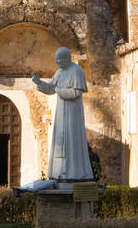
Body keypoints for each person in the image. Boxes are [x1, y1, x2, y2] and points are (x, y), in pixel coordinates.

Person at [31, 46, 93, 182]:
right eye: (56, 60)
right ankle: (60, 172)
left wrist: (59, 90)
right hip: (60, 112)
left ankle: (74, 173)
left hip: (72, 113)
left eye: (60, 60)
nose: (58, 62)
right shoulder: (59, 71)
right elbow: (50, 88)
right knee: (60, 141)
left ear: (67, 58)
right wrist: (39, 82)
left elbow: (76, 93)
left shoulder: (77, 71)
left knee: (72, 140)